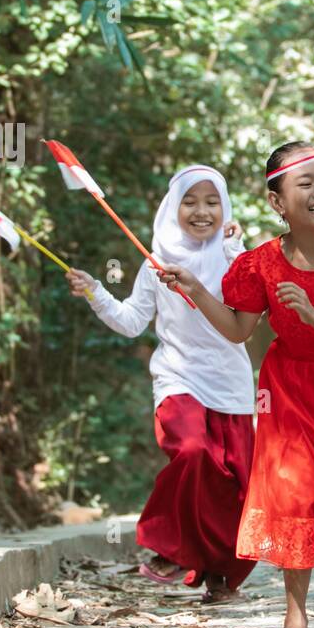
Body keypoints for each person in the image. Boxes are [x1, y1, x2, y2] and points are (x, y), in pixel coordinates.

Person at [157, 141, 314, 628]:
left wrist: (308, 312)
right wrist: (195, 289)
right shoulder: (258, 264)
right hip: (286, 388)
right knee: (292, 494)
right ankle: (295, 616)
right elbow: (238, 330)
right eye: (306, 183)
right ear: (277, 201)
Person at [66, 165, 256, 603]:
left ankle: (220, 577)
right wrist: (95, 291)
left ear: (225, 207)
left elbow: (246, 315)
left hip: (231, 387)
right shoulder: (155, 263)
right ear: (173, 207)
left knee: (233, 485)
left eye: (212, 202)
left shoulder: (235, 257)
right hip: (177, 377)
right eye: (190, 201)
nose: (201, 211)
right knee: (191, 451)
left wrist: (235, 248)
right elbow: (132, 321)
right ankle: (171, 548)